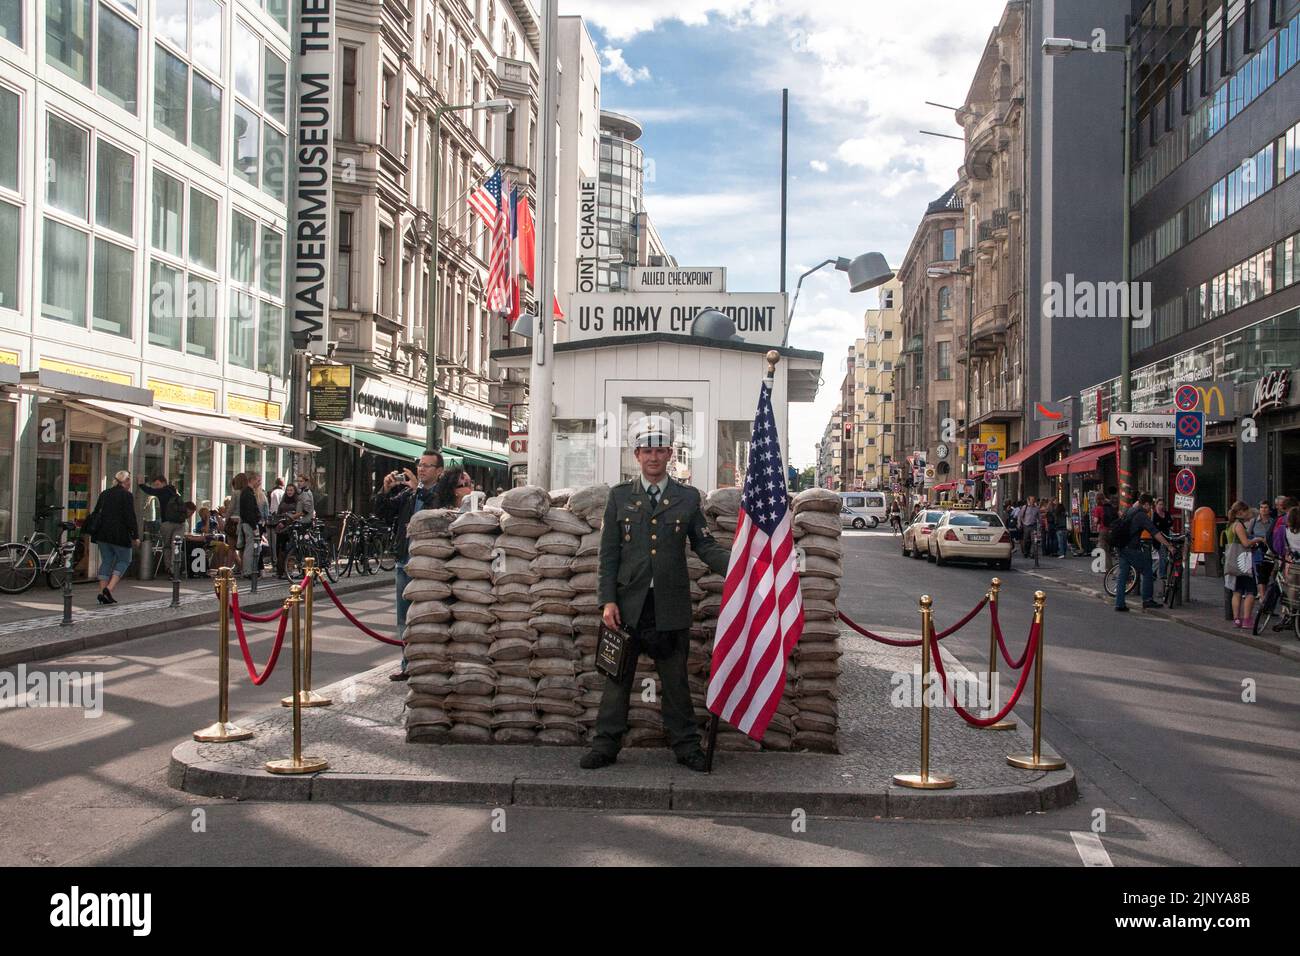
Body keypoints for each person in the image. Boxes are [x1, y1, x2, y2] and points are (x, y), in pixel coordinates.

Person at [582, 415, 732, 773]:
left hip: (669, 605)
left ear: (670, 454)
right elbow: (609, 553)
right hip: (628, 606)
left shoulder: (687, 498)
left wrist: (743, 567)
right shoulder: (619, 497)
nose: (653, 457)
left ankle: (686, 747)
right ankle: (605, 745)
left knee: (676, 681)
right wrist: (607, 601)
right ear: (636, 455)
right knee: (617, 679)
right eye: (647, 450)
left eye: (660, 450)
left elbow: (705, 545)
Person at [375, 451, 444, 681]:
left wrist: (419, 491)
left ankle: (430, 664)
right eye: (419, 465)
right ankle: (407, 664)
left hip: (429, 562)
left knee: (428, 615)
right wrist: (385, 490)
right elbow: (382, 512)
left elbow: (439, 512)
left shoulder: (439, 494)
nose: (421, 469)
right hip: (405, 560)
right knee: (404, 617)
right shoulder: (407, 495)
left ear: (439, 471)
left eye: (427, 466)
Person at [1113, 493, 1174, 612]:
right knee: (1147, 571)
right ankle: (1147, 600)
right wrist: (1168, 545)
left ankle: (1119, 604)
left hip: (1121, 546)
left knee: (1123, 575)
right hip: (1131, 548)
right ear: (1146, 504)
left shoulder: (1130, 510)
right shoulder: (1141, 515)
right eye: (1150, 506)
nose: (1150, 509)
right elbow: (1154, 531)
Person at [89, 471, 139, 605]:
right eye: (129, 480)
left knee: (106, 561)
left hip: (102, 534)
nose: (130, 483)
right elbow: (130, 517)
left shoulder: (104, 494)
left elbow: (96, 512)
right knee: (125, 559)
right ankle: (109, 589)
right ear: (124, 481)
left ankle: (102, 592)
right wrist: (135, 535)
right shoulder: (126, 495)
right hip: (119, 534)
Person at [1224, 501, 1266, 629]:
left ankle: (1237, 619)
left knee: (1237, 591)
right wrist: (1258, 539)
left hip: (1233, 562)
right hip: (1243, 562)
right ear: (1241, 512)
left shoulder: (1230, 525)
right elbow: (1245, 543)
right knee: (1251, 592)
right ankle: (1247, 620)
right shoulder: (1238, 525)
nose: (1249, 514)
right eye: (1247, 511)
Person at [139, 475, 184, 573]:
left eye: (158, 484)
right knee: (176, 546)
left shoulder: (163, 491)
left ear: (164, 483)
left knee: (167, 546)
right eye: (155, 485)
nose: (156, 487)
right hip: (180, 523)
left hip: (167, 523)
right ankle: (175, 569)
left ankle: (169, 568)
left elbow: (151, 491)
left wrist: (141, 484)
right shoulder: (174, 491)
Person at [272, 481, 304, 577]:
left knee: (291, 549)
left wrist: (292, 517)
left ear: (294, 491)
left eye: (291, 490)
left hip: (293, 527)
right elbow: (279, 513)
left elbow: (300, 513)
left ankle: (289, 569)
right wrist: (280, 522)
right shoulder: (283, 500)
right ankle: (280, 570)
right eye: (288, 490)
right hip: (282, 528)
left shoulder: (297, 501)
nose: (289, 492)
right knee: (280, 549)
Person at [238, 472, 264, 578]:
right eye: (258, 480)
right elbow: (249, 512)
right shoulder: (248, 493)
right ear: (252, 480)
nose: (259, 483)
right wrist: (254, 527)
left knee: (253, 547)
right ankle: (248, 571)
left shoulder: (248, 492)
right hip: (250, 524)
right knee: (250, 547)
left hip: (249, 523)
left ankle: (250, 570)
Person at [1152, 497, 1174, 579]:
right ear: (1156, 505)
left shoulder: (1167, 514)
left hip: (1167, 537)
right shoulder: (1154, 515)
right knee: (1162, 556)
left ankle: (1153, 572)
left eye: (1163, 504)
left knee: (1162, 557)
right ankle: (1161, 574)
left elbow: (1170, 523)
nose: (1161, 506)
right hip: (1158, 539)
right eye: (1160, 504)